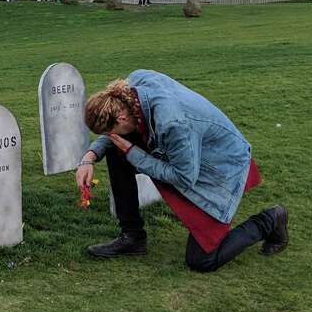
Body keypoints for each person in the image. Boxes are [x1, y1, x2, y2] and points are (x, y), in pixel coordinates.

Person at [75, 71, 288, 272]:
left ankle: (270, 220)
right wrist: (89, 157)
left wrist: (133, 153)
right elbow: (114, 138)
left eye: (111, 132)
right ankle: (133, 238)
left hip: (220, 167)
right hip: (192, 154)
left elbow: (184, 177)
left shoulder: (173, 124)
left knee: (202, 261)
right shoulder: (132, 87)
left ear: (121, 118)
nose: (111, 136)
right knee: (117, 152)